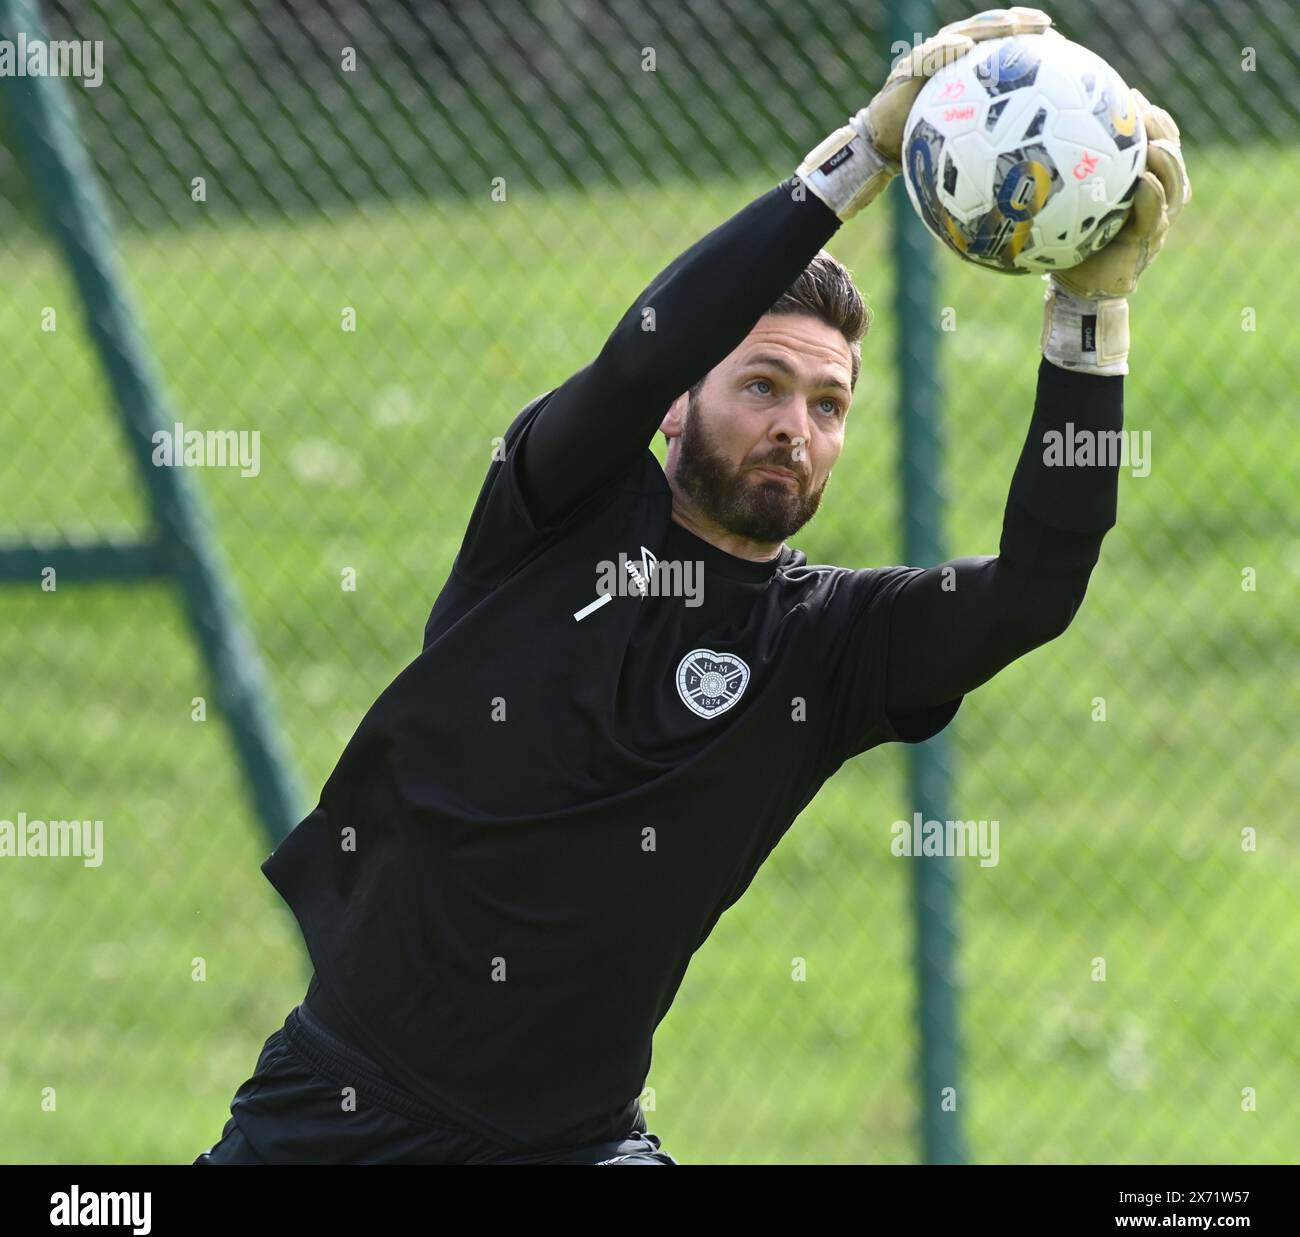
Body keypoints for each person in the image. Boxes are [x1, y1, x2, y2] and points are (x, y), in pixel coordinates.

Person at [196, 7, 1188, 1165]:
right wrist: (854, 161)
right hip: (344, 1112)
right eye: (760, 385)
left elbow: (1037, 589)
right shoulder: (553, 512)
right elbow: (641, 350)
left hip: (574, 1146)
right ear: (681, 405)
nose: (794, 428)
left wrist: (1087, 317)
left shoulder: (831, 647)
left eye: (827, 407)